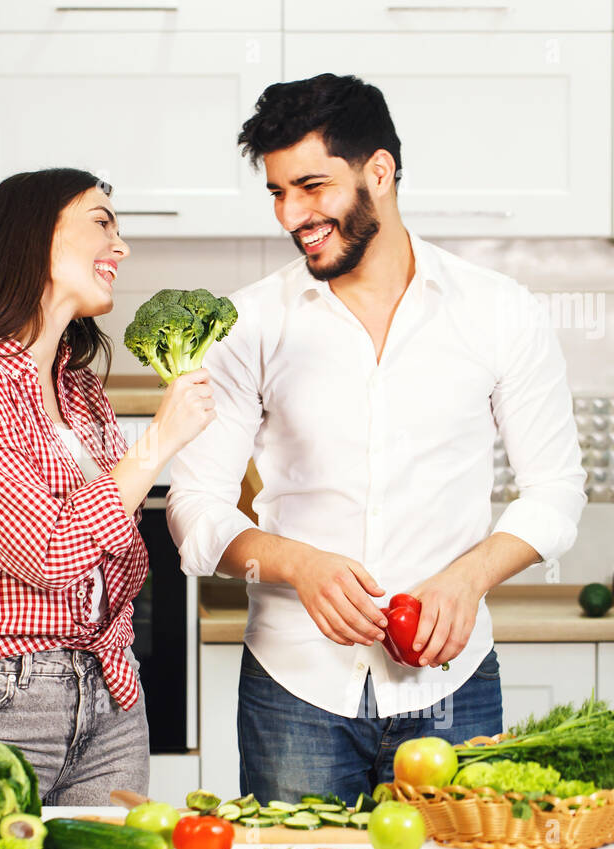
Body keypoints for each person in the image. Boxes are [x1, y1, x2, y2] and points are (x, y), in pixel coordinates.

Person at [166, 74, 587, 803]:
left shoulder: (498, 311)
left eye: (312, 186)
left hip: (452, 680)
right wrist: (295, 564)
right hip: (295, 685)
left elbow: (556, 492)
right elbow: (194, 510)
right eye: (276, 192)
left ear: (379, 172)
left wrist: (469, 577)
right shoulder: (249, 324)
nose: (292, 214)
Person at [0, 168, 214, 804]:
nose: (122, 246)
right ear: (35, 236)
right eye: (102, 222)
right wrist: (160, 442)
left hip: (111, 694)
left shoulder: (81, 391)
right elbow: (51, 551)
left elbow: (115, 552)